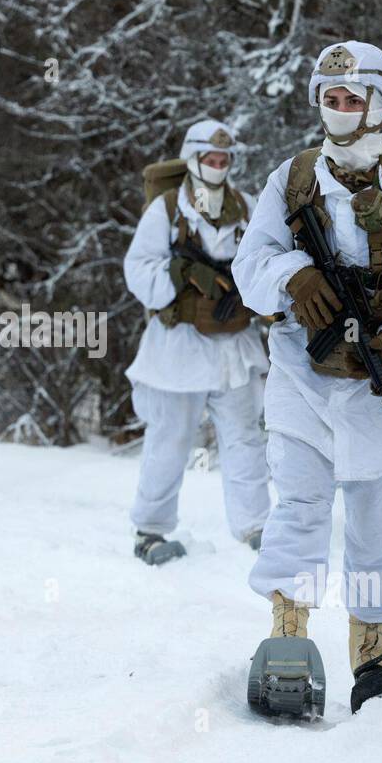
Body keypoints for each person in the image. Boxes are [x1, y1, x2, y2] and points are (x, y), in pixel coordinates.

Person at [232, 41, 382, 711]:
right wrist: (294, 275)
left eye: (352, 99)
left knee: (375, 525)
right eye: (329, 100)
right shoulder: (293, 176)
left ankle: (373, 657)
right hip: (302, 372)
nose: (340, 111)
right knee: (300, 509)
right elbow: (251, 269)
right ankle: (287, 641)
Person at [123, 119, 270, 565]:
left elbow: (269, 260)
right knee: (170, 440)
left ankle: (257, 528)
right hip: (178, 349)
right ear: (193, 159)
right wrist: (183, 275)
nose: (218, 166)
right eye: (210, 158)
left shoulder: (247, 206)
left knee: (245, 440)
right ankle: (150, 530)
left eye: (224, 159)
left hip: (234, 347)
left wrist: (247, 291)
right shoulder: (167, 210)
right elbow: (138, 271)